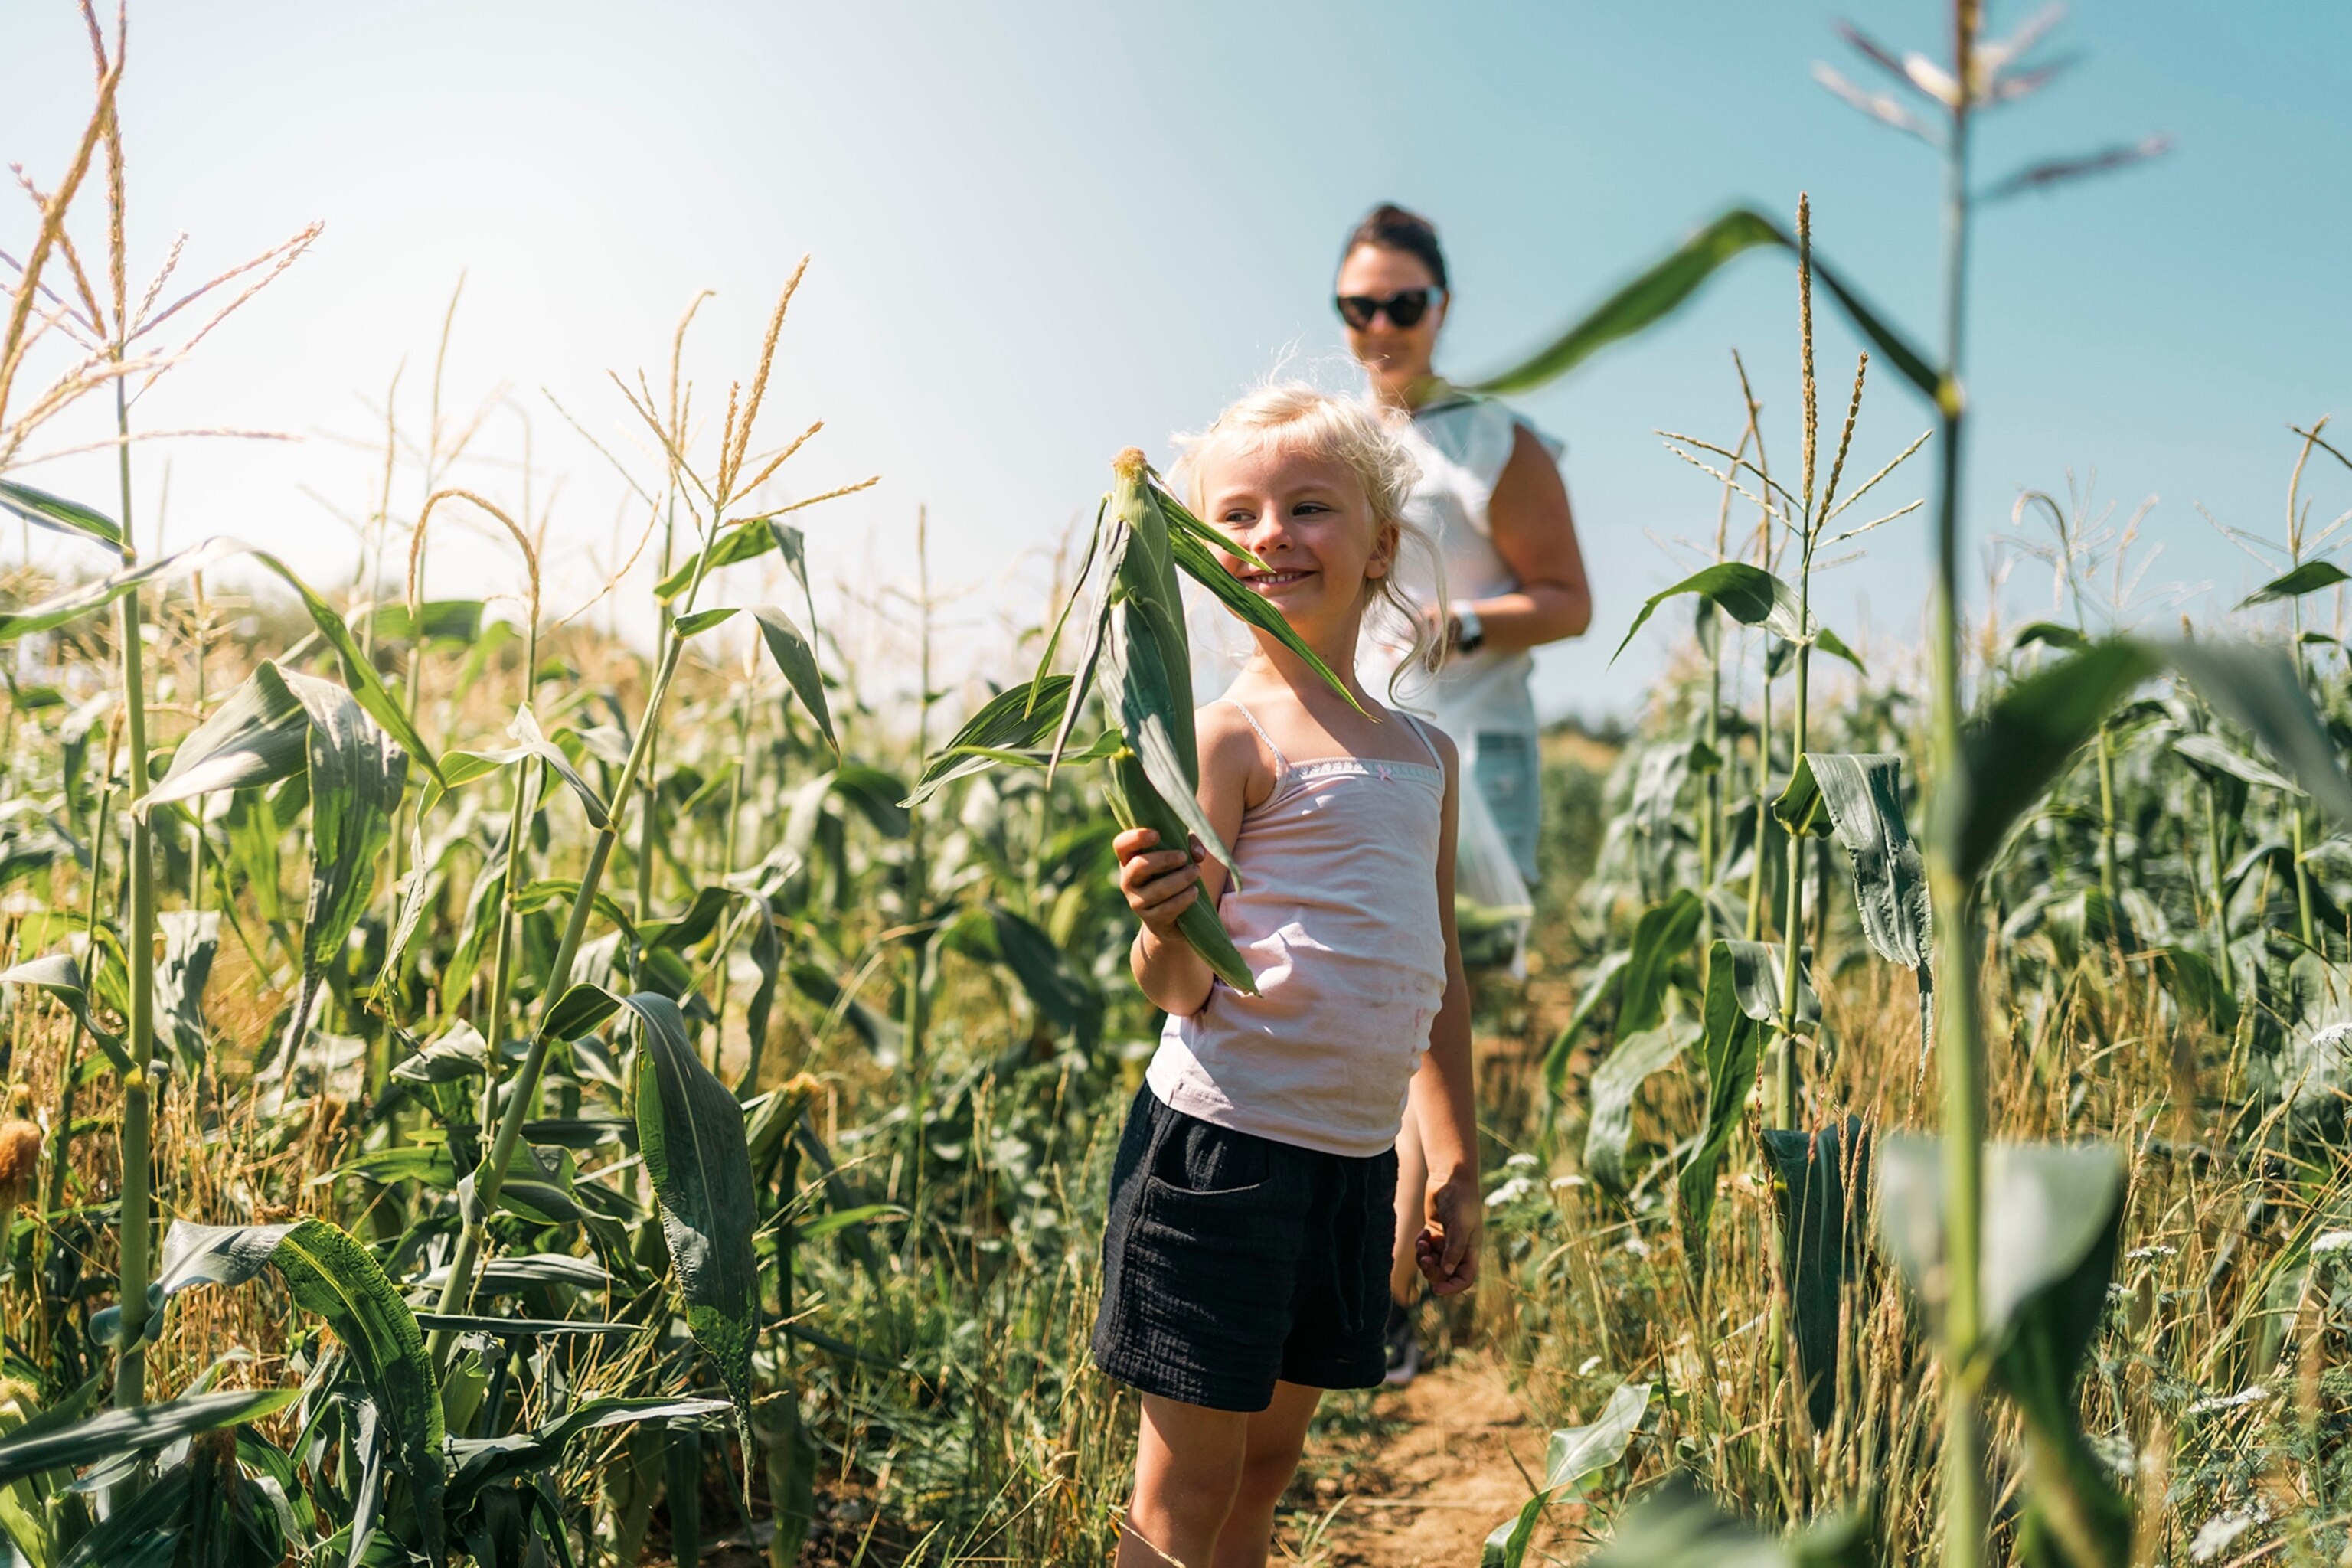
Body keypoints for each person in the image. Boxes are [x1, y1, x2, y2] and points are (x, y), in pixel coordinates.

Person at [1094, 384, 1481, 1568]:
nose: (1270, 536)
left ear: (1380, 549)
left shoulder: (1425, 755)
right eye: (1238, 516)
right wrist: (1163, 921)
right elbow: (1173, 984)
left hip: (1352, 1169)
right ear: (1202, 559)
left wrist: (1454, 1149)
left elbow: (1438, 968)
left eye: (1308, 507)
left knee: (1267, 1466)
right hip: (1224, 1154)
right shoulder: (1226, 738)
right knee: (1186, 1490)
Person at [1335, 203, 1593, 1386]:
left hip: (1470, 759)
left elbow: (1568, 598)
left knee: (1425, 1018)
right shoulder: (1338, 443)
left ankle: (1381, 1300)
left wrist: (1461, 622)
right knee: (1364, 1021)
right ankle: (1365, 1293)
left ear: (1441, 309)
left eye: (1402, 304)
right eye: (1359, 306)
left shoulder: (1495, 440)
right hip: (1356, 753)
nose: (1380, 326)